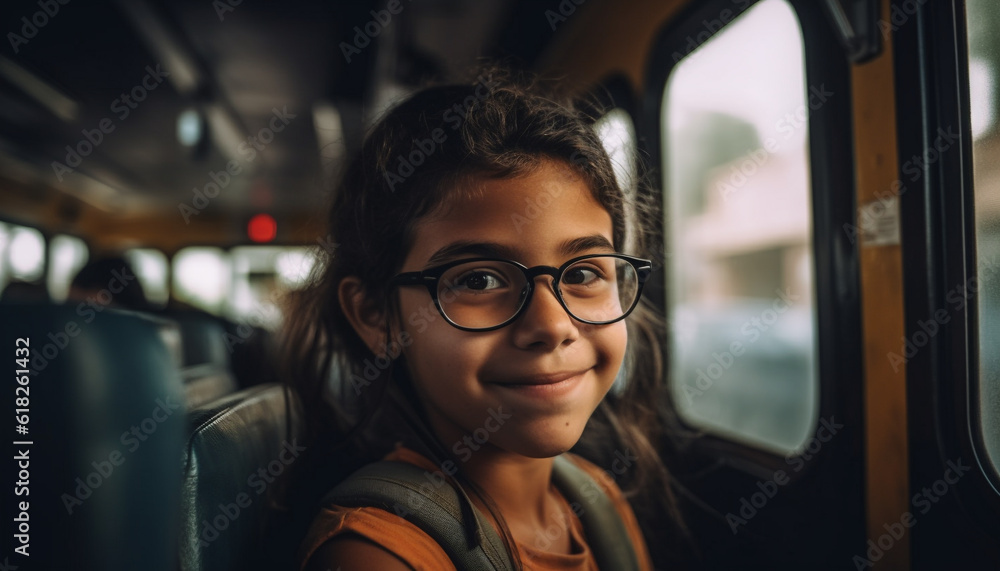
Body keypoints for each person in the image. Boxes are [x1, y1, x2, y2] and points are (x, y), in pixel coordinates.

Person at [282, 68, 692, 570]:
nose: (552, 325)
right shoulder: (381, 555)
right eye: (478, 280)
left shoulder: (598, 501)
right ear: (377, 316)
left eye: (583, 272)